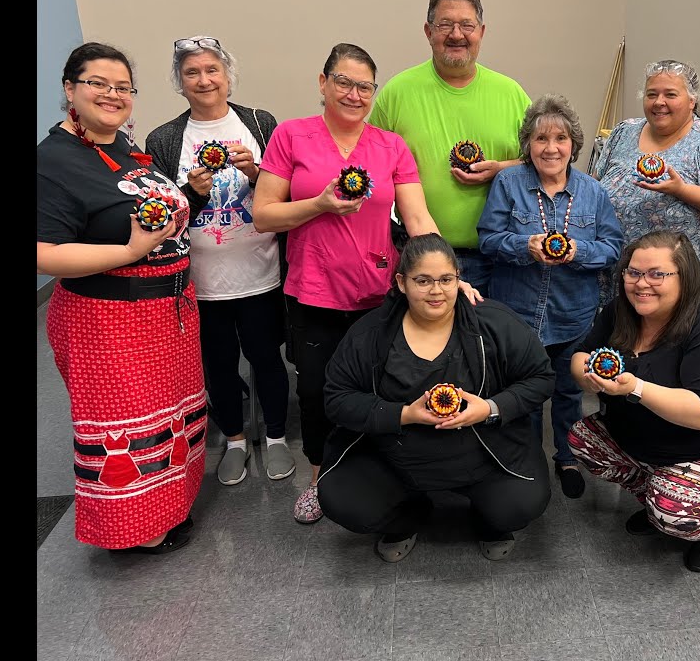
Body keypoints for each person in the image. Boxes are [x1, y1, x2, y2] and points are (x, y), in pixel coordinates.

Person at [254, 43, 477, 525]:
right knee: (317, 394)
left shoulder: (390, 146)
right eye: (344, 82)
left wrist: (448, 274)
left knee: (384, 389)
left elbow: (417, 216)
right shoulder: (291, 137)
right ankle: (320, 477)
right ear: (323, 82)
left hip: (379, 294)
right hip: (314, 293)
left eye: (364, 86)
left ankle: (386, 473)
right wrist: (318, 204)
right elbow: (264, 215)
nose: (354, 94)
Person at [36, 42, 204, 554]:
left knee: (167, 417)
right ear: (69, 88)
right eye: (98, 84)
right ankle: (135, 530)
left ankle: (170, 507)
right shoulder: (54, 161)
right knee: (124, 428)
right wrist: (128, 251)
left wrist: (188, 194)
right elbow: (45, 253)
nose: (113, 94)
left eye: (123, 87)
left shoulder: (125, 149)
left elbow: (144, 214)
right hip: (109, 318)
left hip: (168, 312)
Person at [318, 234, 554, 562]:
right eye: (423, 280)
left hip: (483, 450)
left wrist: (489, 408)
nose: (436, 290)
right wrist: (402, 414)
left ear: (459, 278)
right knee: (341, 500)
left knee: (520, 504)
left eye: (446, 279)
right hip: (394, 456)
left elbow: (541, 378)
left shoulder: (495, 323)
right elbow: (337, 398)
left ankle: (488, 518)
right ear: (401, 282)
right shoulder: (369, 334)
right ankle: (407, 517)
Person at [567, 230, 700, 573]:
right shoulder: (621, 310)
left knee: (674, 514)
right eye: (633, 272)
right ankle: (658, 494)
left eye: (658, 274)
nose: (642, 283)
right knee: (583, 440)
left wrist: (635, 388)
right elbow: (582, 354)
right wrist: (586, 375)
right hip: (647, 435)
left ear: (685, 277)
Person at [145, 36, 295, 487]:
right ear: (180, 82)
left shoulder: (259, 122)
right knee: (218, 362)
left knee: (267, 358)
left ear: (228, 76)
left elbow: (285, 193)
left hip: (261, 271)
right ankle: (231, 440)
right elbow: (161, 213)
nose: (204, 80)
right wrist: (191, 191)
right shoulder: (166, 139)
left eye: (212, 70)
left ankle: (275, 437)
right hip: (202, 281)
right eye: (192, 73)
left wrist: (254, 172)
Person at [477, 94, 623, 498]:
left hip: (572, 314)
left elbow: (612, 248)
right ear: (528, 145)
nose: (551, 147)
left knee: (569, 391)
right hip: (518, 312)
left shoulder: (593, 191)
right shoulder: (509, 183)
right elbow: (487, 239)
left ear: (573, 144)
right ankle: (525, 457)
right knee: (520, 390)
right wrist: (525, 245)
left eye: (560, 138)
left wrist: (580, 252)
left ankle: (566, 455)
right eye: (541, 138)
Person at [369, 0, 531, 296]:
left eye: (466, 25)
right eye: (445, 25)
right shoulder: (397, 93)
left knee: (493, 344)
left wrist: (504, 169)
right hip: (419, 257)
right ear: (428, 31)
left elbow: (546, 162)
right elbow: (370, 165)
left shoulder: (512, 94)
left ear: (481, 31)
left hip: (501, 259)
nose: (456, 34)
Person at [589, 60, 700, 305]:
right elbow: (596, 182)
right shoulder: (624, 132)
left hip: (689, 290)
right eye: (651, 94)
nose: (659, 102)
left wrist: (682, 190)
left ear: (691, 100)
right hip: (628, 282)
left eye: (670, 94)